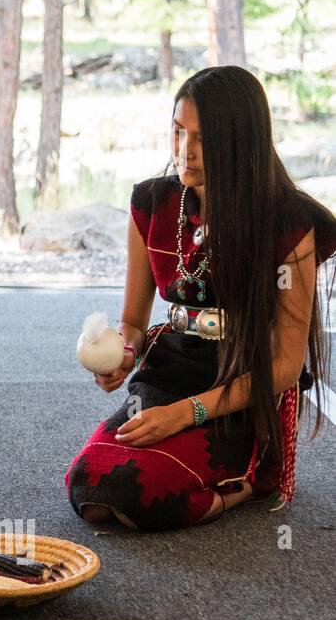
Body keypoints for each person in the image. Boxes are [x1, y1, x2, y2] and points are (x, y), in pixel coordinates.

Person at [67, 66, 336, 530]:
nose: (183, 151)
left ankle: (256, 477)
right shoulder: (152, 204)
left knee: (140, 497)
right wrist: (124, 353)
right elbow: (132, 320)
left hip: (240, 391)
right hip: (169, 373)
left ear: (240, 141)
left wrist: (185, 415)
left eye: (203, 138)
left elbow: (287, 364)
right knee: (91, 488)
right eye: (177, 131)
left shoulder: (289, 223)